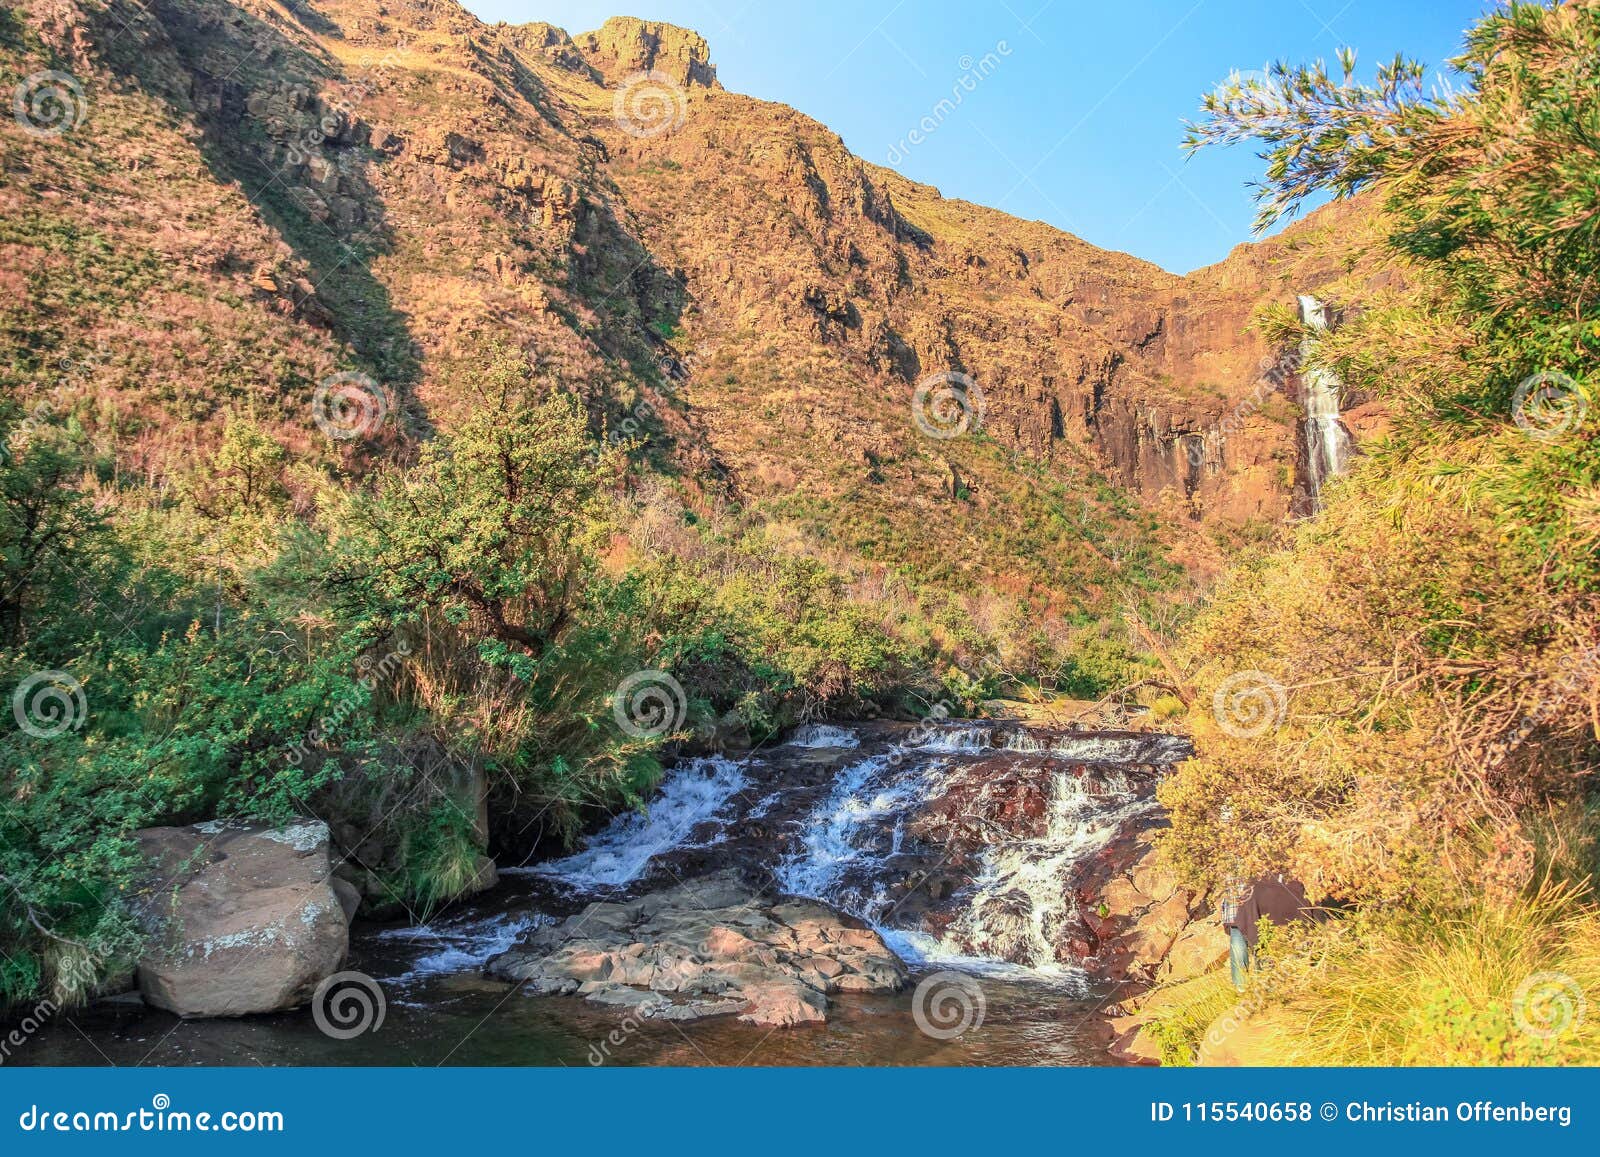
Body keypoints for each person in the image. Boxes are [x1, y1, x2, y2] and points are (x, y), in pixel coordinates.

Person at [1220, 873, 1317, 991]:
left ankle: (1241, 986)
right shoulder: (1253, 862)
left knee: (1240, 943)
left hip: (1236, 907)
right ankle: (1264, 982)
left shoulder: (1226, 860)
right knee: (1260, 940)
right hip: (1254, 905)